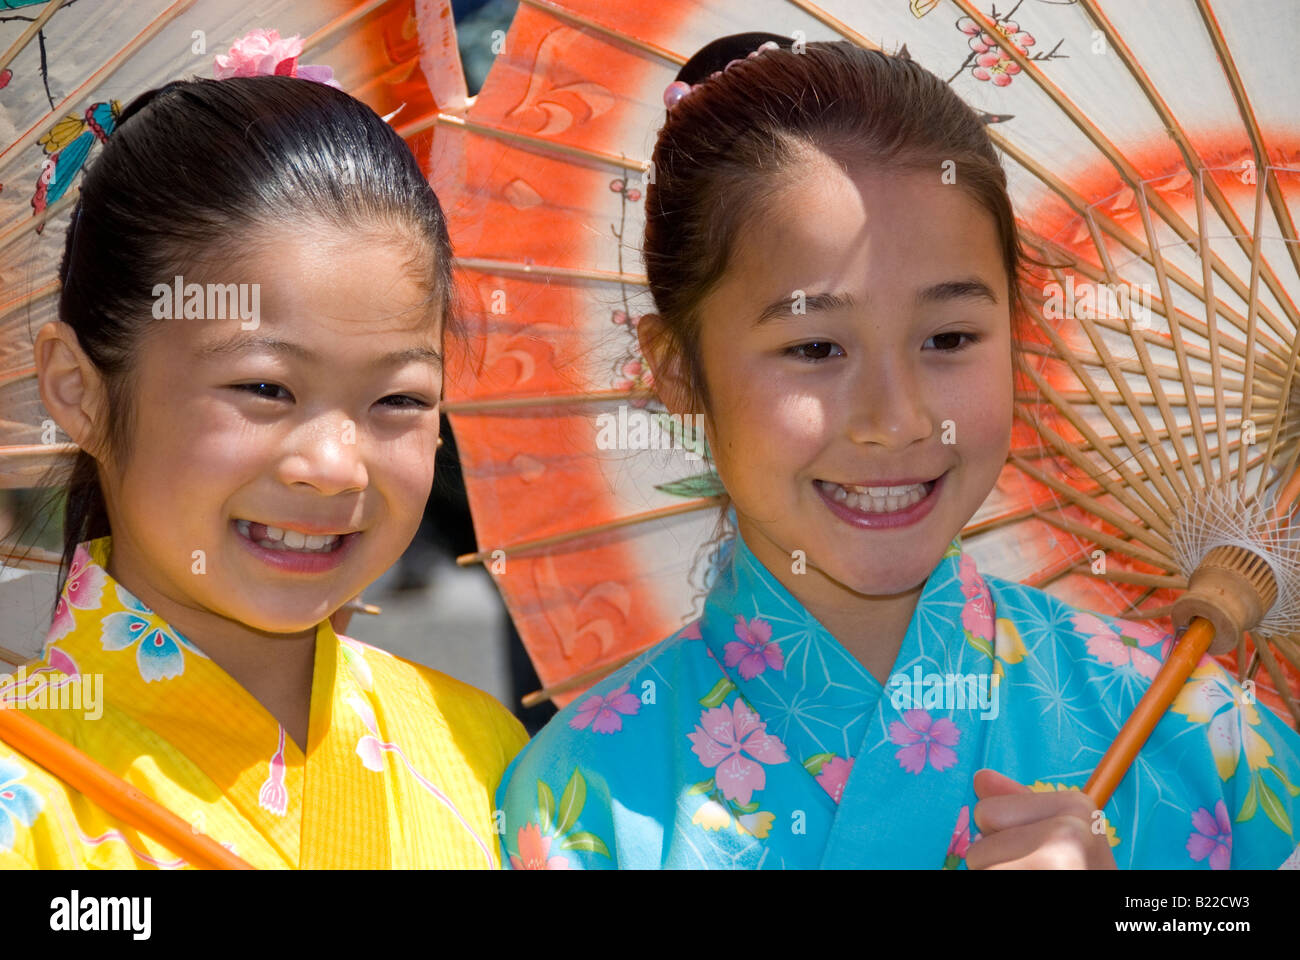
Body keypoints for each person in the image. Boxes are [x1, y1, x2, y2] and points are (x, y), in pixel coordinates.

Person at [495, 34, 1300, 869]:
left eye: (949, 337)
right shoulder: (580, 804)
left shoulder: (1205, 745)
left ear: (1016, 337)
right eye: (814, 349)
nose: (898, 419)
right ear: (676, 369)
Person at [0, 56, 527, 868]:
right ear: (80, 390)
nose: (334, 465)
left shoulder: (480, 753)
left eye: (398, 401)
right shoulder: (24, 793)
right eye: (264, 387)